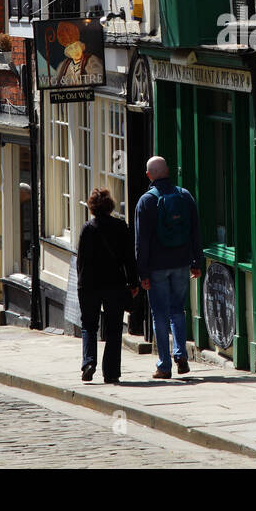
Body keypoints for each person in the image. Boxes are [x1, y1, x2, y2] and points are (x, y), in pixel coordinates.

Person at [134, 156, 201, 379]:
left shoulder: (146, 201)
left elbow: (141, 241)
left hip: (157, 268)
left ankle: (164, 365)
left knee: (159, 314)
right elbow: (195, 231)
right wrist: (197, 262)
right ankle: (181, 354)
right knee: (177, 310)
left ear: (149, 175)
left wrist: (142, 272)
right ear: (168, 171)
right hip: (182, 263)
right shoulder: (185, 195)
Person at [76, 188, 139, 384]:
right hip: (115, 284)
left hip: (90, 285)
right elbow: (130, 258)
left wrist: (80, 285)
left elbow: (81, 262)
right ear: (110, 206)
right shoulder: (121, 227)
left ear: (92, 207)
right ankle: (111, 372)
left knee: (89, 326)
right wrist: (133, 282)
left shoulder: (88, 229)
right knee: (113, 329)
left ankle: (88, 363)